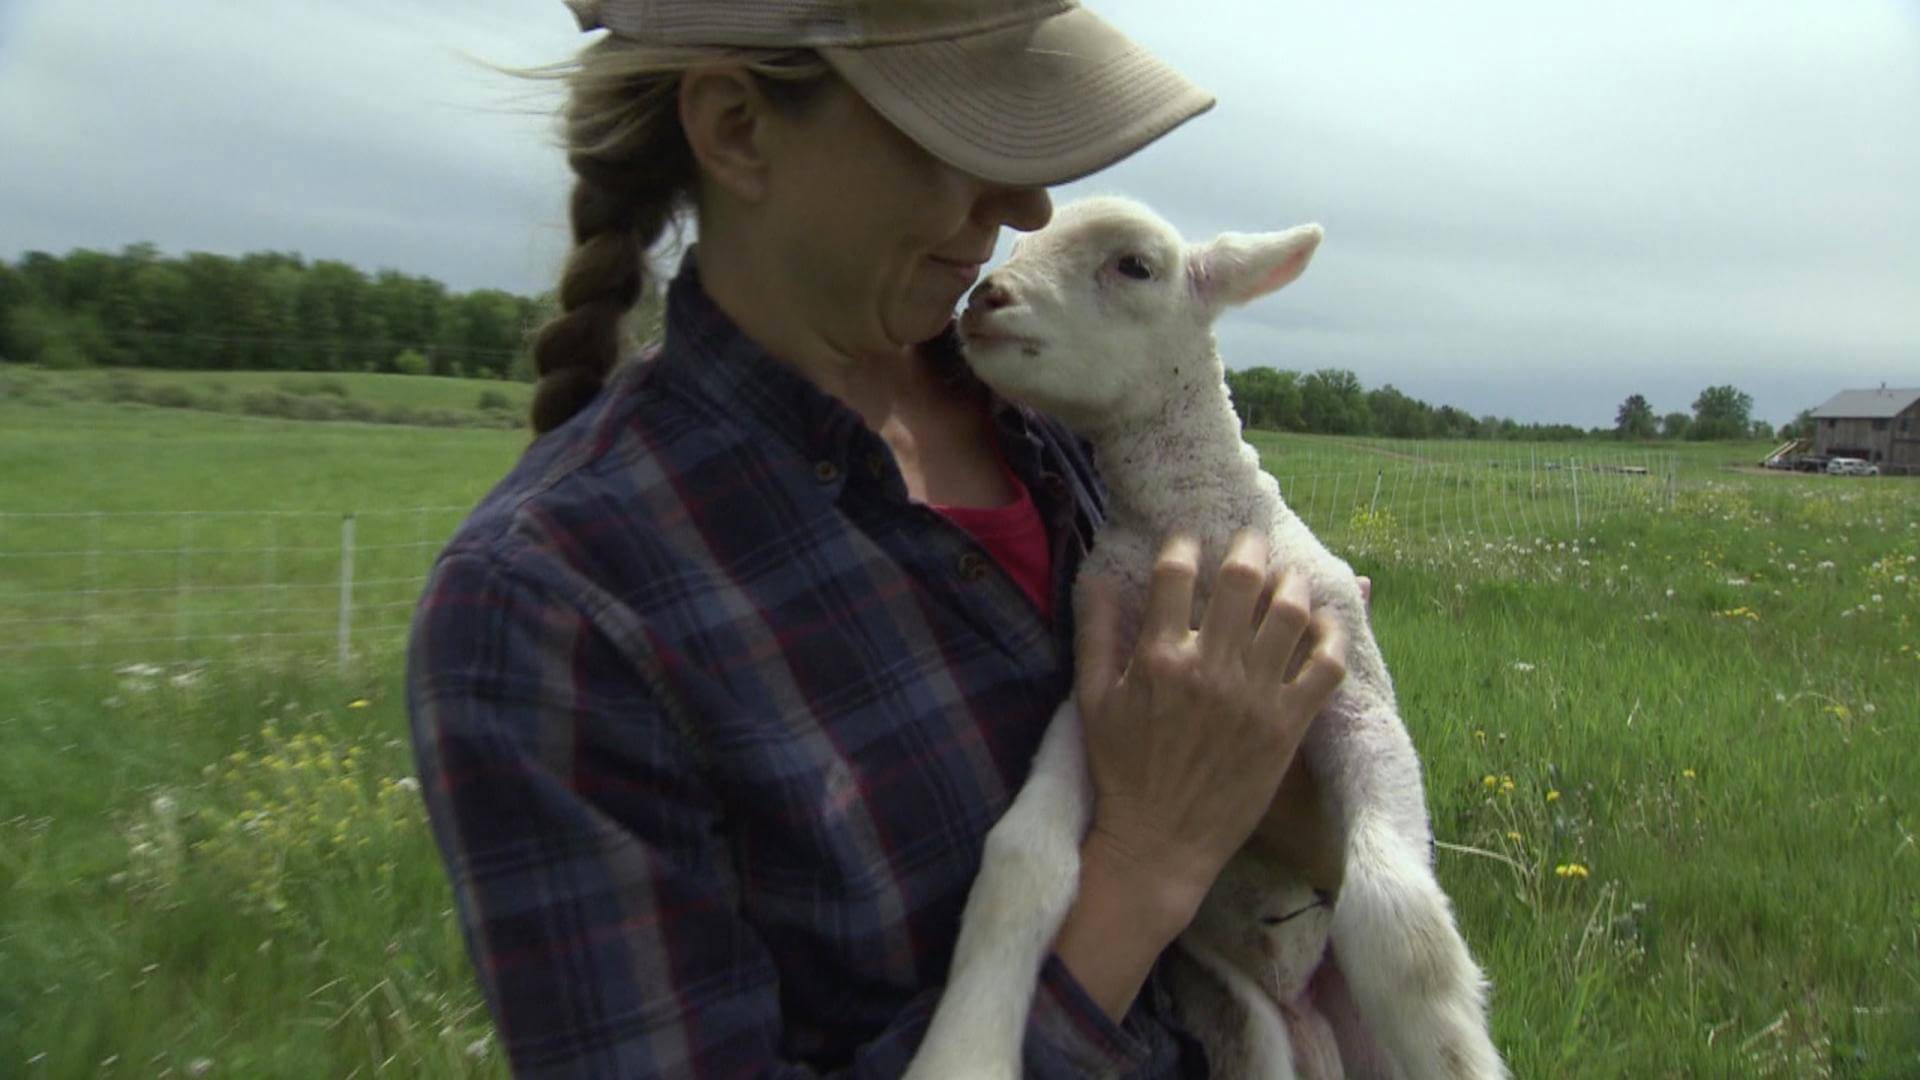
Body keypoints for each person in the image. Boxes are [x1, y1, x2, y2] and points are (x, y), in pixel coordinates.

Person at [406, 2, 1353, 1076]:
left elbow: (1304, 826)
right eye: (968, 130)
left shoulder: (1065, 424)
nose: (1029, 199)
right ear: (737, 129)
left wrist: (1307, 784)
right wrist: (1142, 869)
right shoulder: (551, 604)